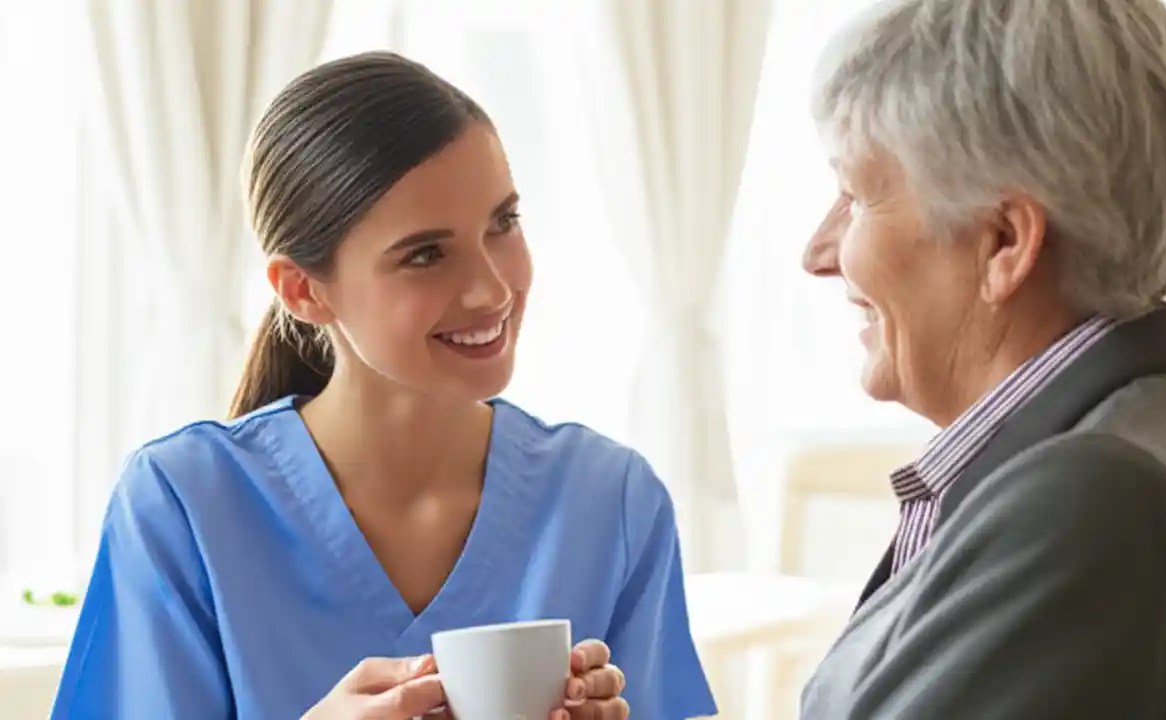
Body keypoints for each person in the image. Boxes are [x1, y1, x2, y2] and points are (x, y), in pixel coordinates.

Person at [52, 52, 714, 720]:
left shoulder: (611, 503)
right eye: (426, 254)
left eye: (503, 224)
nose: (491, 288)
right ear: (304, 290)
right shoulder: (181, 506)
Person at [791, 0, 1166, 717]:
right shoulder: (1165, 430)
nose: (818, 253)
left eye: (855, 197)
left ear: (1004, 244)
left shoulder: (1092, 503)